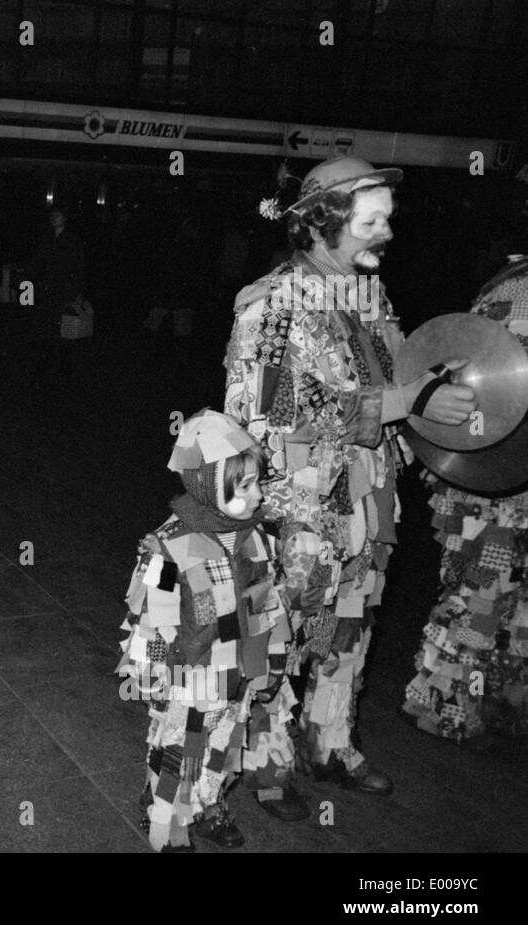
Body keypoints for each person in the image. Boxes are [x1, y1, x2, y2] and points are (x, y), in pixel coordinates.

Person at [223, 155, 476, 814]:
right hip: (296, 510)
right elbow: (267, 409)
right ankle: (267, 757)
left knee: (349, 629)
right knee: (279, 639)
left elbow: (391, 377)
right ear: (319, 225)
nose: (385, 234)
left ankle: (329, 742)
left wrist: (430, 385)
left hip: (367, 503)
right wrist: (401, 405)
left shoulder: (368, 295)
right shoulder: (273, 303)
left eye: (387, 220)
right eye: (371, 221)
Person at [118, 410, 296, 852]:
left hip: (238, 670)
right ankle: (166, 818)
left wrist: (272, 658)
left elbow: (267, 603)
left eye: (259, 482)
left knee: (222, 741)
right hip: (190, 672)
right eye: (246, 486)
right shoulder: (169, 545)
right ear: (208, 486)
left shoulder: (256, 538)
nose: (259, 495)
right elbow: (152, 616)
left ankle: (206, 802)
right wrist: (150, 670)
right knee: (180, 745)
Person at [403, 255, 528, 743]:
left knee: (510, 601)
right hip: (496, 478)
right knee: (481, 593)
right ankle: (442, 703)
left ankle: (500, 703)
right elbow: (499, 382)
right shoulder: (519, 290)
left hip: (501, 471)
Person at [25, 203, 85, 388]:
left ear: (65, 218)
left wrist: (76, 292)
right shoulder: (48, 238)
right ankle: (47, 367)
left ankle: (62, 369)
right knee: (46, 329)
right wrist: (29, 278)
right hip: (47, 289)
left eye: (58, 215)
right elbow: (38, 262)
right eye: (53, 215)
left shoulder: (72, 240)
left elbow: (78, 267)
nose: (54, 218)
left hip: (63, 290)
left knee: (62, 329)